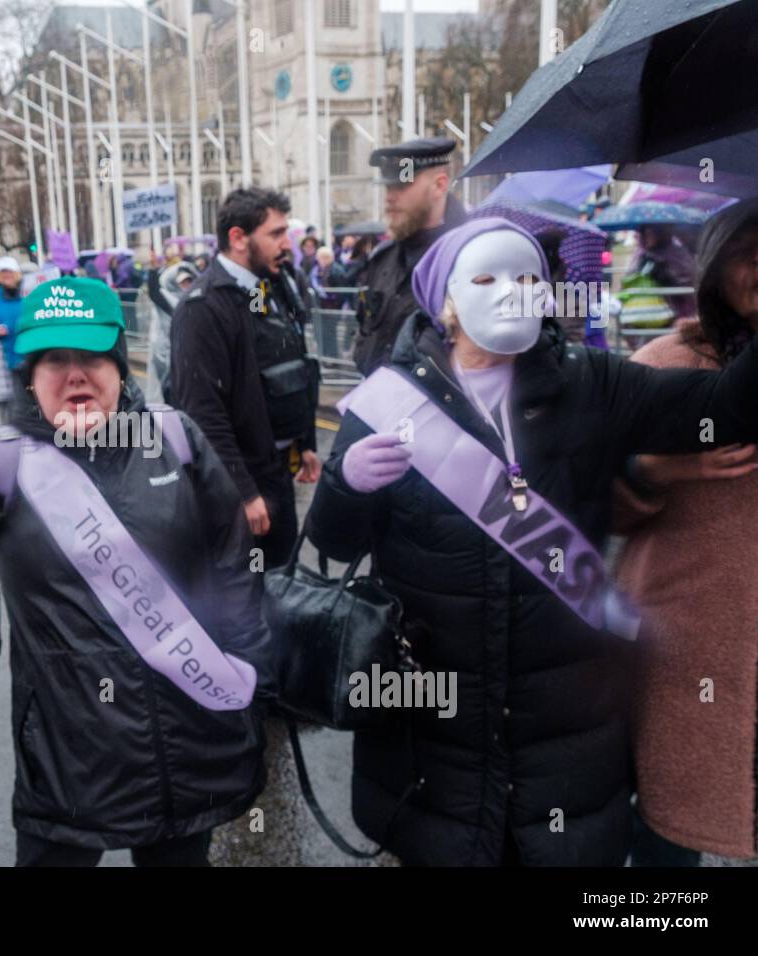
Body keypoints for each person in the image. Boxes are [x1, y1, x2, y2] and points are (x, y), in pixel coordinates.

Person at [305, 217, 758, 866]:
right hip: (435, 743)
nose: (511, 293)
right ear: (448, 303)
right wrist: (346, 485)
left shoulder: (593, 383)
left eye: (526, 278)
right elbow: (332, 546)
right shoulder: (387, 403)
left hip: (568, 740)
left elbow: (725, 410)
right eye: (488, 278)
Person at [0, 277, 274, 867]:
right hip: (68, 760)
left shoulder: (176, 439)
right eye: (53, 360)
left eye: (91, 356)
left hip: (190, 745)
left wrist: (249, 679)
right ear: (29, 378)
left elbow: (234, 566)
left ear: (119, 365)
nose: (75, 374)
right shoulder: (2, 462)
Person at [612, 198, 758, 866]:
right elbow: (596, 499)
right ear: (713, 269)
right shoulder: (665, 363)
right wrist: (660, 469)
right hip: (683, 644)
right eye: (746, 250)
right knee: (668, 829)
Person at [170, 187, 322, 569]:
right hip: (243, 486)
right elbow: (202, 412)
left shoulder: (266, 288)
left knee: (282, 588)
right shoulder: (202, 308)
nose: (285, 244)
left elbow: (286, 364)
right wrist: (242, 491)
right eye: (275, 234)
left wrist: (304, 439)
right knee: (250, 597)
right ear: (238, 238)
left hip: (277, 471)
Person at [352, 137, 468, 376]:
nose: (389, 197)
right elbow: (366, 330)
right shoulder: (383, 259)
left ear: (439, 185)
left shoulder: (470, 258)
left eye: (402, 186)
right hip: (380, 403)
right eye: (387, 186)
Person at [145, 260, 199, 404]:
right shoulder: (169, 300)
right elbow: (154, 292)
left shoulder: (197, 301)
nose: (186, 285)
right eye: (182, 282)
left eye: (189, 281)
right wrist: (153, 270)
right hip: (169, 357)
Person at [630, 224, 697, 321]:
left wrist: (664, 275)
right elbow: (630, 277)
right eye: (645, 233)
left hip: (678, 312)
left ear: (661, 233)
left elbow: (687, 280)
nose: (648, 236)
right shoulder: (641, 253)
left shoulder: (676, 252)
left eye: (651, 232)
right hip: (644, 310)